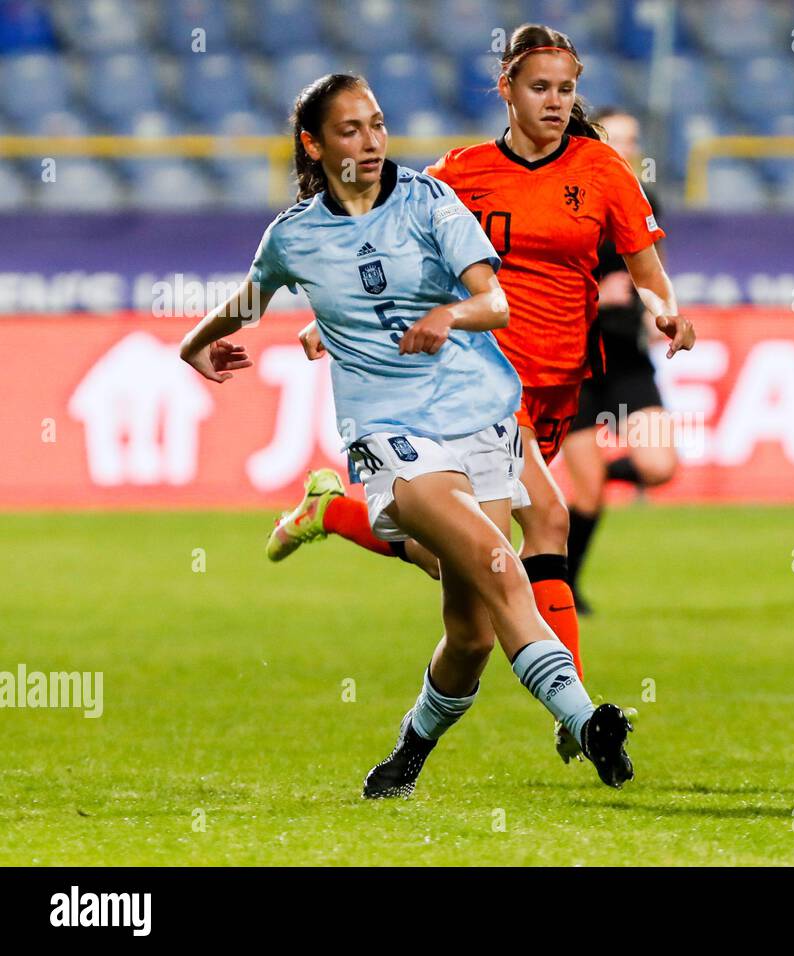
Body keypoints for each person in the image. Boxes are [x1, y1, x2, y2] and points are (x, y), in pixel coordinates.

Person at [179, 73, 635, 797]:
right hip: (389, 432)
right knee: (497, 559)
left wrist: (448, 317)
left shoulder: (429, 199)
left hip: (477, 415)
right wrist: (195, 344)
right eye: (351, 129)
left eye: (378, 124)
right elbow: (249, 296)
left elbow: (494, 300)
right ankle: (588, 721)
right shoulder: (295, 235)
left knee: (471, 632)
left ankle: (407, 754)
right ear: (314, 144)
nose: (371, 140)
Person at [265, 25, 695, 761]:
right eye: (539, 88)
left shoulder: (602, 171)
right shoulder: (460, 172)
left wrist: (665, 308)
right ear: (507, 89)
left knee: (458, 564)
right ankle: (577, 717)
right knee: (548, 523)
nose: (555, 102)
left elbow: (645, 264)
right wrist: (331, 321)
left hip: (562, 377)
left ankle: (334, 510)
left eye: (565, 89)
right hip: (480, 378)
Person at [562, 107, 679, 616]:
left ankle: (592, 474)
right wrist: (594, 293)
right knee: (586, 498)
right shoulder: (567, 197)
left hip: (628, 359)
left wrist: (659, 310)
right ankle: (563, 587)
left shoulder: (642, 199)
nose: (627, 148)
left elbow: (652, 268)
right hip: (576, 360)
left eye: (632, 139)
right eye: (617, 138)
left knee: (659, 465)